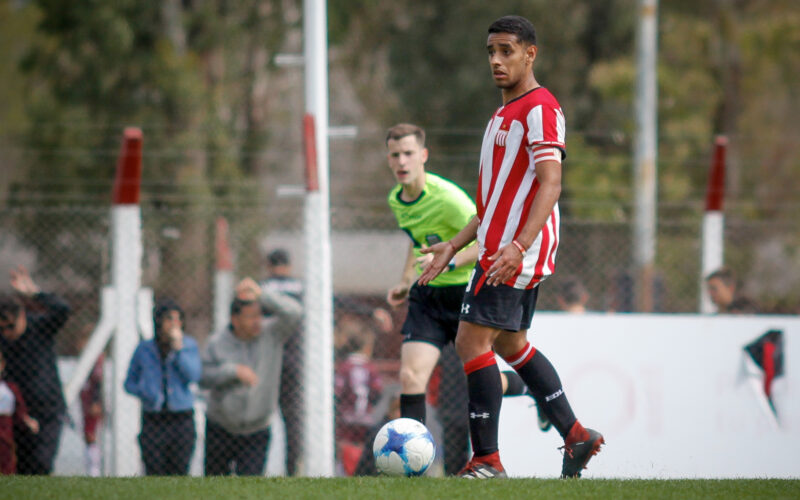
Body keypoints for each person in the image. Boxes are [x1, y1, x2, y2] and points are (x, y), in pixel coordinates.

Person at [419, 16, 604, 479]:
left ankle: (487, 460)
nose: (497, 60)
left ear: (530, 53)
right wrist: (454, 246)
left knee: (470, 340)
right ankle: (575, 434)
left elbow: (551, 182)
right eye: (490, 52)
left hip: (514, 252)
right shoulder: (503, 114)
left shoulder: (541, 108)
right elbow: (494, 202)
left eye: (506, 50)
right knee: (510, 343)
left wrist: (519, 245)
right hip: (499, 248)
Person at [385, 122, 548, 474]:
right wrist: (405, 281)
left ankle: (532, 390)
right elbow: (417, 243)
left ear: (423, 156)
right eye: (395, 155)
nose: (402, 161)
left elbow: (488, 241)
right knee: (411, 376)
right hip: (427, 296)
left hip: (465, 294)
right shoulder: (396, 200)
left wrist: (449, 260)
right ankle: (412, 470)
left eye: (409, 153)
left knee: (476, 384)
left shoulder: (448, 199)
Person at [201, 277, 302, 476]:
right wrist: (232, 372)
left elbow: (295, 312)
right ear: (234, 319)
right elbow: (202, 376)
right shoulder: (217, 342)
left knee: (250, 488)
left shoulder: (272, 334)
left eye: (259, 315)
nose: (257, 321)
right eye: (250, 317)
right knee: (213, 488)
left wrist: (261, 294)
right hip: (220, 427)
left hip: (257, 430)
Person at [0, 265, 70, 475]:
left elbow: (63, 310)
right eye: (1, 329)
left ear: (22, 316)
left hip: (47, 412)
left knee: (41, 464)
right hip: (16, 413)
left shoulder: (40, 327)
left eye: (10, 327)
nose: (6, 333)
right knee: (17, 470)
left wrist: (35, 294)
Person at [124, 299, 201, 475]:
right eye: (169, 319)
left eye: (178, 319)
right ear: (158, 321)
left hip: (181, 419)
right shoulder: (144, 349)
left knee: (179, 470)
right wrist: (146, 392)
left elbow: (193, 376)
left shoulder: (188, 346)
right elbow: (129, 382)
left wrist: (178, 349)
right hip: (154, 419)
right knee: (154, 470)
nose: (174, 324)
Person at [259, 248, 304, 476]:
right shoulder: (300, 287)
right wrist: (369, 312)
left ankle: (257, 466)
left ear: (269, 265)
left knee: (260, 414)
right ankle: (291, 467)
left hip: (266, 359)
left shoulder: (261, 288)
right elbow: (336, 300)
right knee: (292, 418)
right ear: (288, 265)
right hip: (294, 360)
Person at [0, 349, 40, 474]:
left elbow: (19, 411)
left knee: (6, 460)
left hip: (4, 433)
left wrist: (27, 421)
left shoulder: (9, 388)